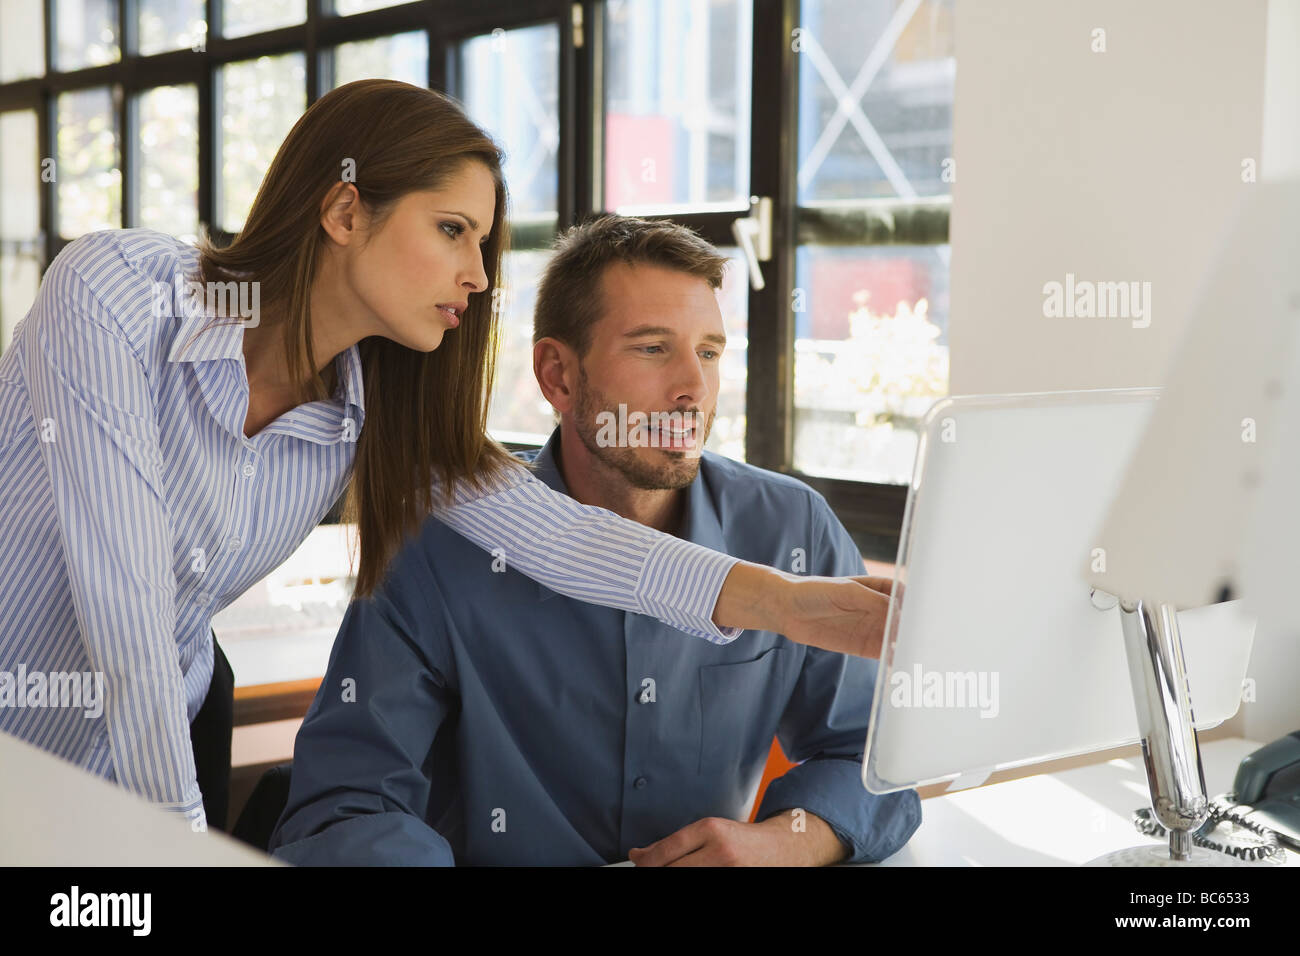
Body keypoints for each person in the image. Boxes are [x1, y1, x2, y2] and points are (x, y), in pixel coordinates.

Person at [0, 80, 892, 835]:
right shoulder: (116, 293)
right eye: (453, 230)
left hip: (151, 738)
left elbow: (564, 539)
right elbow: (125, 612)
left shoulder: (372, 409)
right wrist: (183, 853)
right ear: (346, 209)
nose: (477, 274)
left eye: (483, 244)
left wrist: (794, 603)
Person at [268, 216, 920, 865]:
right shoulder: (436, 545)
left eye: (710, 351)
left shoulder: (790, 527)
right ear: (558, 376)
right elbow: (349, 806)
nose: (694, 388)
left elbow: (875, 759)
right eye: (652, 348)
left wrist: (783, 844)